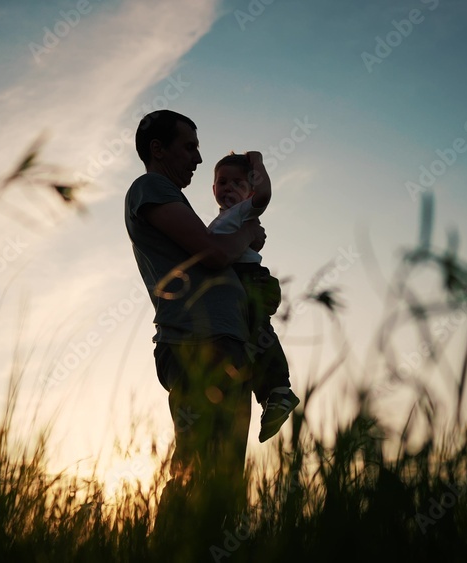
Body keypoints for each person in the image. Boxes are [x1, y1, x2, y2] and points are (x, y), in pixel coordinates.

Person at [123, 110, 265, 550]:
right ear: (158, 150)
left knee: (223, 472)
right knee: (200, 466)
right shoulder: (151, 188)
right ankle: (173, 552)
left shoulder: (171, 196)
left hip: (223, 344)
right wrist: (247, 235)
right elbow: (213, 254)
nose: (200, 159)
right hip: (196, 345)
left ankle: (207, 549)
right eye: (190, 146)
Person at [208, 152, 300, 443]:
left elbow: (265, 195)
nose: (228, 188)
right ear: (213, 190)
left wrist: (258, 164)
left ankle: (280, 390)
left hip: (248, 278)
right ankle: (272, 395)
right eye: (222, 182)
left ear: (249, 191)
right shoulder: (220, 219)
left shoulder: (244, 212)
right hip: (235, 282)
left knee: (258, 331)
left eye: (238, 183)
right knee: (248, 338)